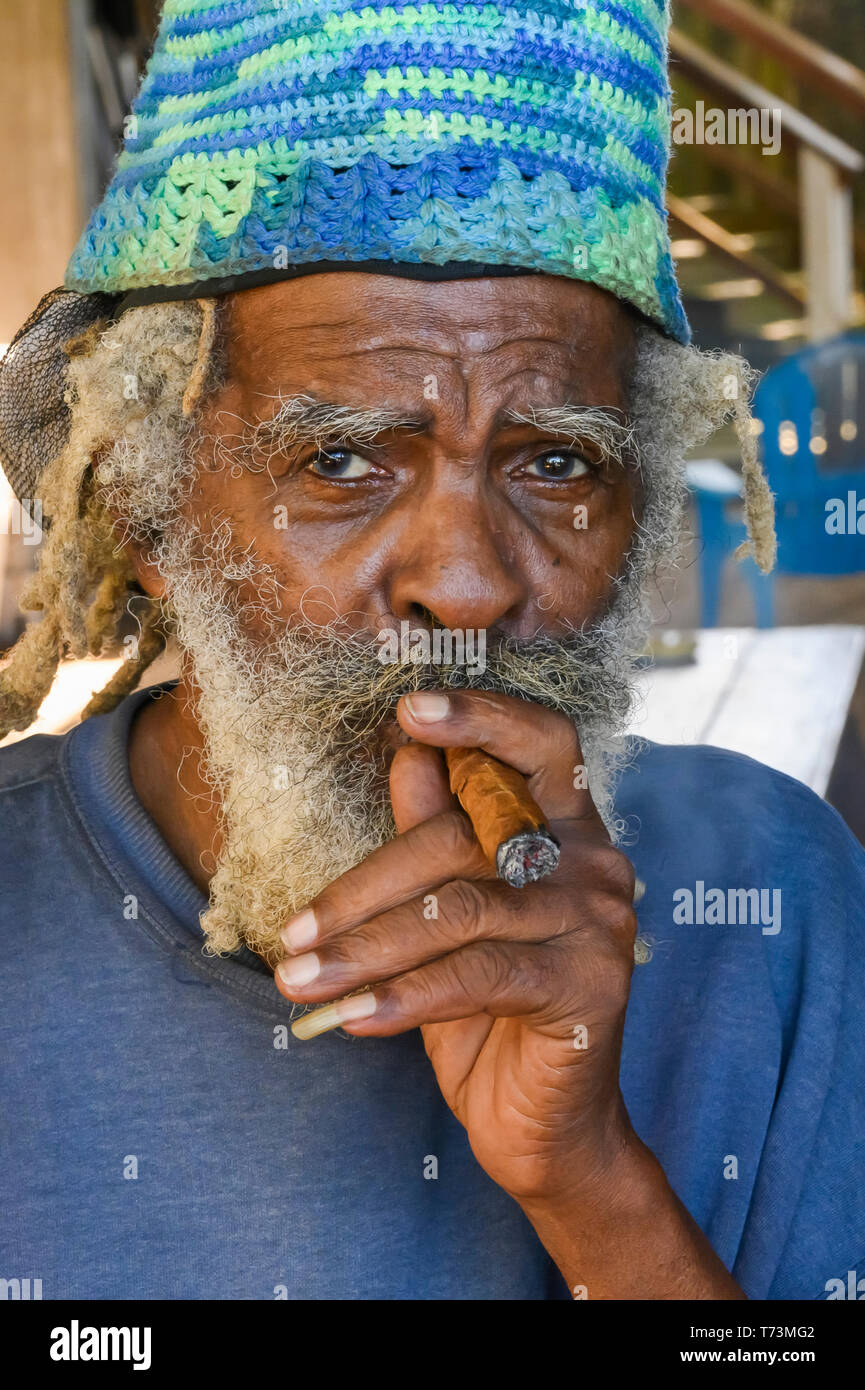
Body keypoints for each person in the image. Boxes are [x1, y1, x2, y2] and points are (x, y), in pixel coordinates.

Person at [0, 0, 862, 1301]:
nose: (464, 581)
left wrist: (592, 1185)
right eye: (339, 458)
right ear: (143, 510)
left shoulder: (776, 895)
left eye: (556, 459)